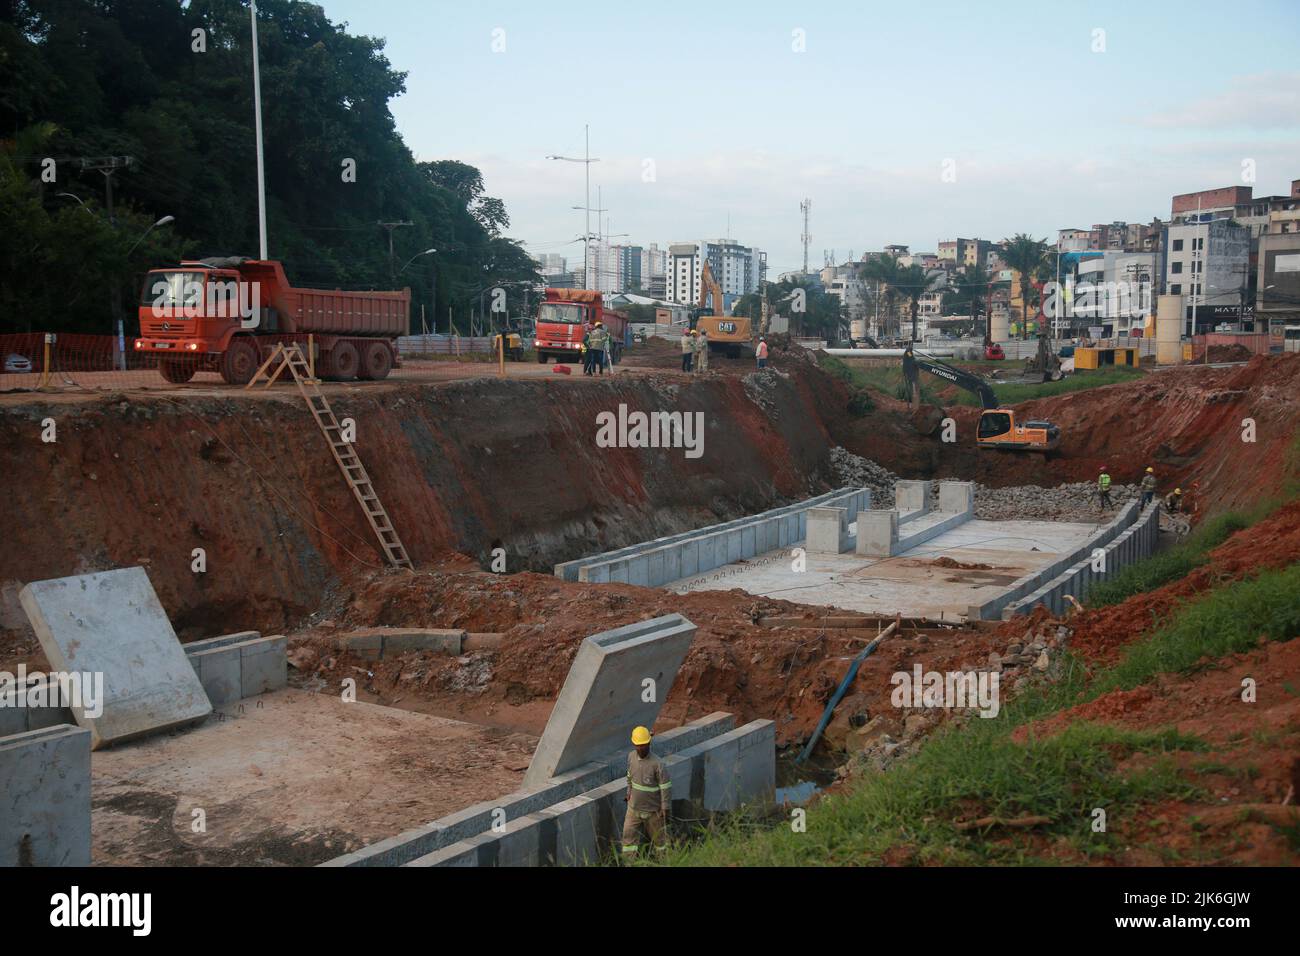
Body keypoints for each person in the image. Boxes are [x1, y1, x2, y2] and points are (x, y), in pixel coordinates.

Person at [622, 725, 670, 859]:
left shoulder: (657, 763)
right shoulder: (631, 757)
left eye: (644, 745)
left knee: (660, 841)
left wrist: (665, 807)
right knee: (628, 839)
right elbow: (629, 777)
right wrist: (629, 792)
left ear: (649, 743)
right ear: (633, 744)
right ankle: (629, 862)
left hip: (653, 812)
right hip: (633, 810)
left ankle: (664, 861)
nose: (641, 748)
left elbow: (665, 786)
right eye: (638, 745)